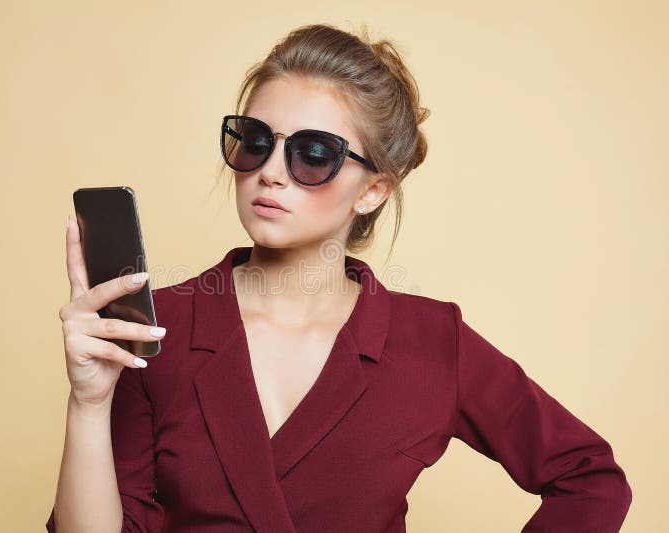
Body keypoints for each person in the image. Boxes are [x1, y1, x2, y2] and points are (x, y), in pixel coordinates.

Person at [45, 23, 632, 533]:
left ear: (374, 189)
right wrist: (88, 405)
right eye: (253, 142)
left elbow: (589, 478)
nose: (271, 173)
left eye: (313, 153)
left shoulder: (432, 341)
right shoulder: (158, 329)